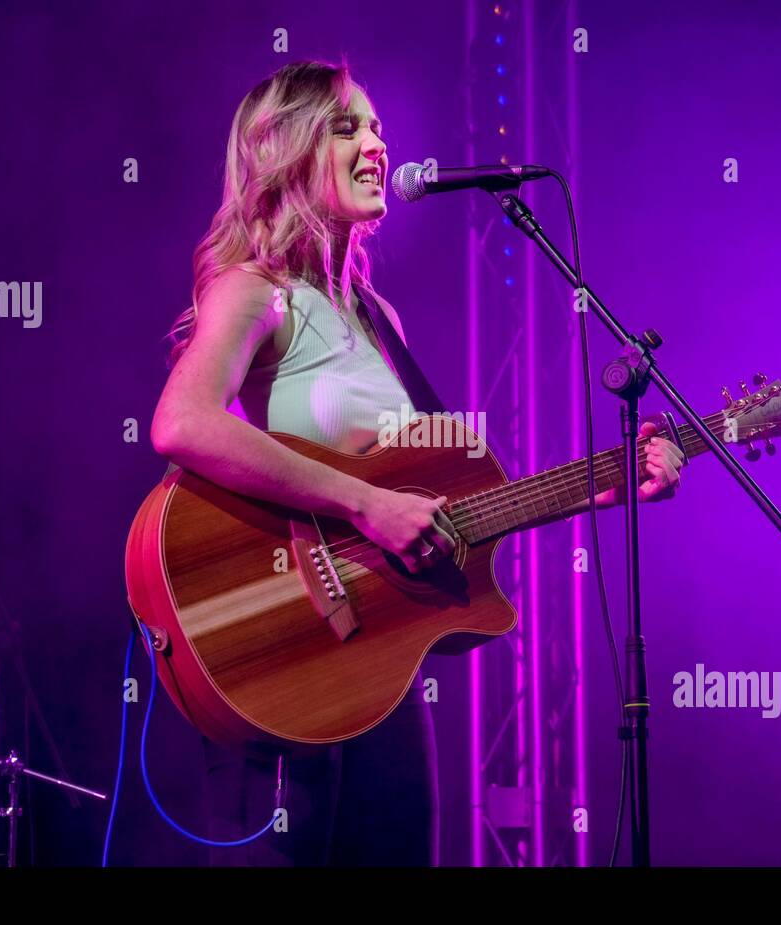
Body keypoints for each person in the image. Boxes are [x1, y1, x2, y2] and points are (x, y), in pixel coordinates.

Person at [149, 60, 683, 866]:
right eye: (347, 127)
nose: (377, 146)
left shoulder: (379, 317)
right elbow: (181, 423)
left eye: (377, 129)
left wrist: (610, 484)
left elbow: (447, 509)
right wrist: (364, 506)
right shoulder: (256, 290)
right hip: (284, 650)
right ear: (286, 150)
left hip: (378, 664)